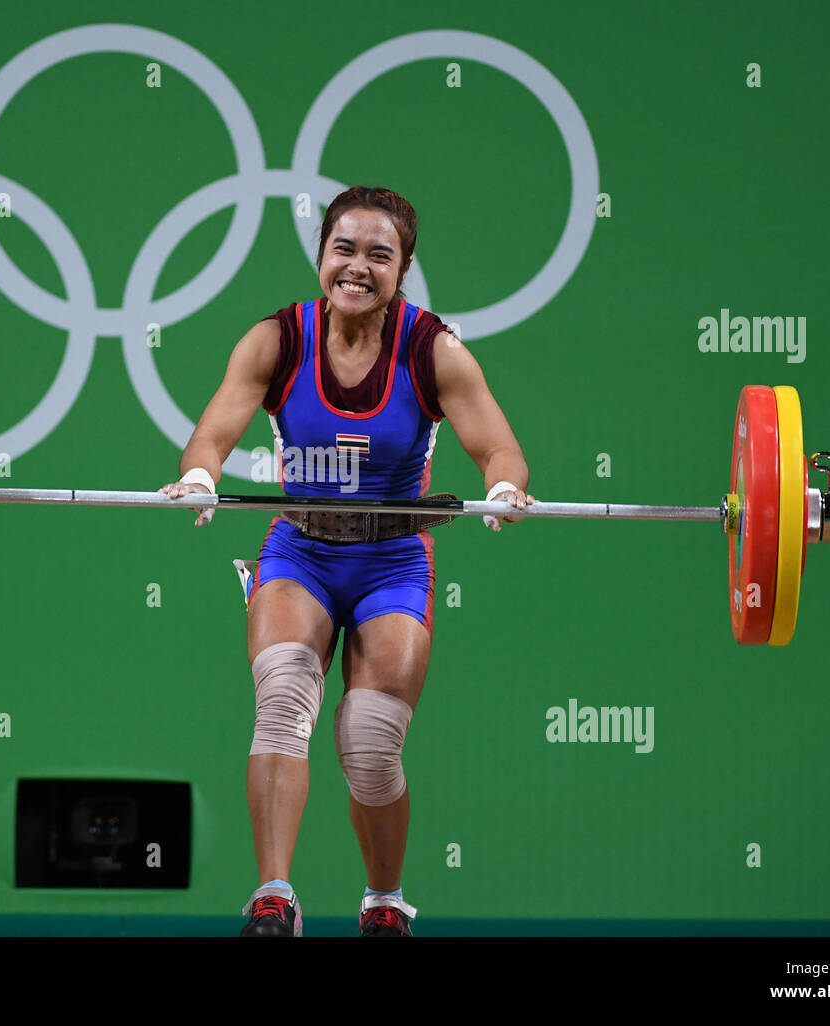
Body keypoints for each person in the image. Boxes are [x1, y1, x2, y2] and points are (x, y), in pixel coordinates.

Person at [158, 186, 533, 936]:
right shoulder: (276, 341)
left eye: (379, 255)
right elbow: (211, 437)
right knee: (283, 703)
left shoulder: (435, 351)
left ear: (405, 267)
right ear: (321, 254)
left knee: (368, 741)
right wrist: (200, 477)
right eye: (344, 249)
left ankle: (385, 903)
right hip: (300, 548)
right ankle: (274, 898)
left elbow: (501, 449)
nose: (357, 268)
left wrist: (502, 488)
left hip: (393, 560)